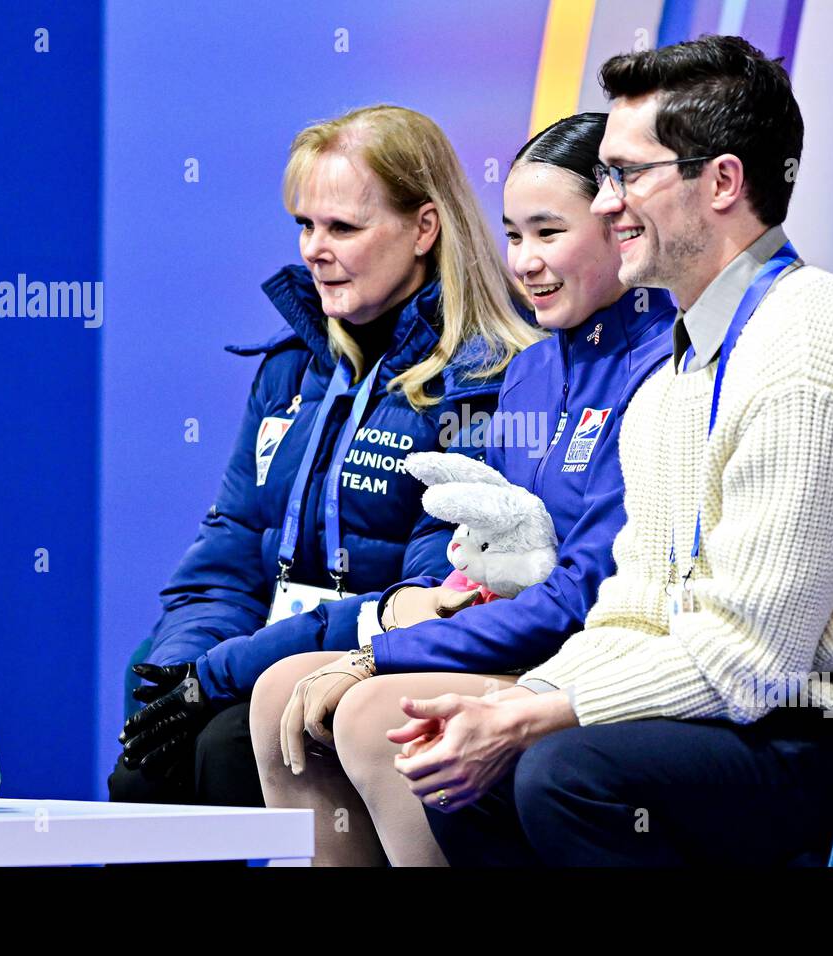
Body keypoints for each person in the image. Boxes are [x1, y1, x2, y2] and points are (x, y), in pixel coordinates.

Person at [387, 35, 833, 866]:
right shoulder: (681, 369)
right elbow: (636, 610)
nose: (607, 201)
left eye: (627, 174)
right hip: (780, 718)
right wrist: (522, 701)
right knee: (468, 771)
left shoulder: (805, 361)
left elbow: (749, 665)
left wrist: (533, 713)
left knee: (565, 772)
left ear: (721, 182)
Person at [248, 112, 678, 865]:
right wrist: (436, 601)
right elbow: (489, 564)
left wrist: (383, 651)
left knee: (379, 714)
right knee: (279, 691)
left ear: (621, 227)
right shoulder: (532, 372)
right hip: (525, 639)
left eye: (549, 233)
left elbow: (584, 593)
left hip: (600, 660)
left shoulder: (666, 370)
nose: (526, 263)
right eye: (513, 236)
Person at [108, 105, 540, 810]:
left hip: (375, 669)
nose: (314, 249)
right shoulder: (291, 368)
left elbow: (430, 600)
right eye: (305, 225)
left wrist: (222, 673)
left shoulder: (483, 382)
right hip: (265, 660)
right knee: (149, 744)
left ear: (424, 228)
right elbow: (231, 546)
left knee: (224, 748)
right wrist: (183, 667)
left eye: (343, 227)